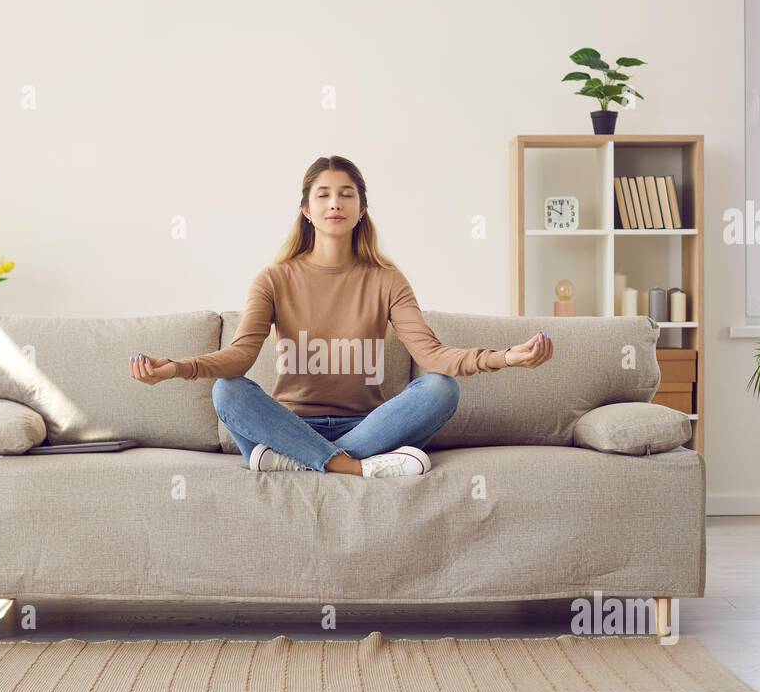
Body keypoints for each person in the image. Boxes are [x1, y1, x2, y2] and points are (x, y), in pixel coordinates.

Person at [129, 155, 552, 478]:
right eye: (324, 195)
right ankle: (352, 468)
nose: (336, 203)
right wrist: (179, 367)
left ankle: (293, 461)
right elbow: (240, 357)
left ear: (362, 208)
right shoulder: (274, 279)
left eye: (347, 194)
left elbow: (433, 354)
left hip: (369, 426)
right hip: (288, 422)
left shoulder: (387, 280)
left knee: (441, 390)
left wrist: (504, 357)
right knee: (228, 391)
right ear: (306, 210)